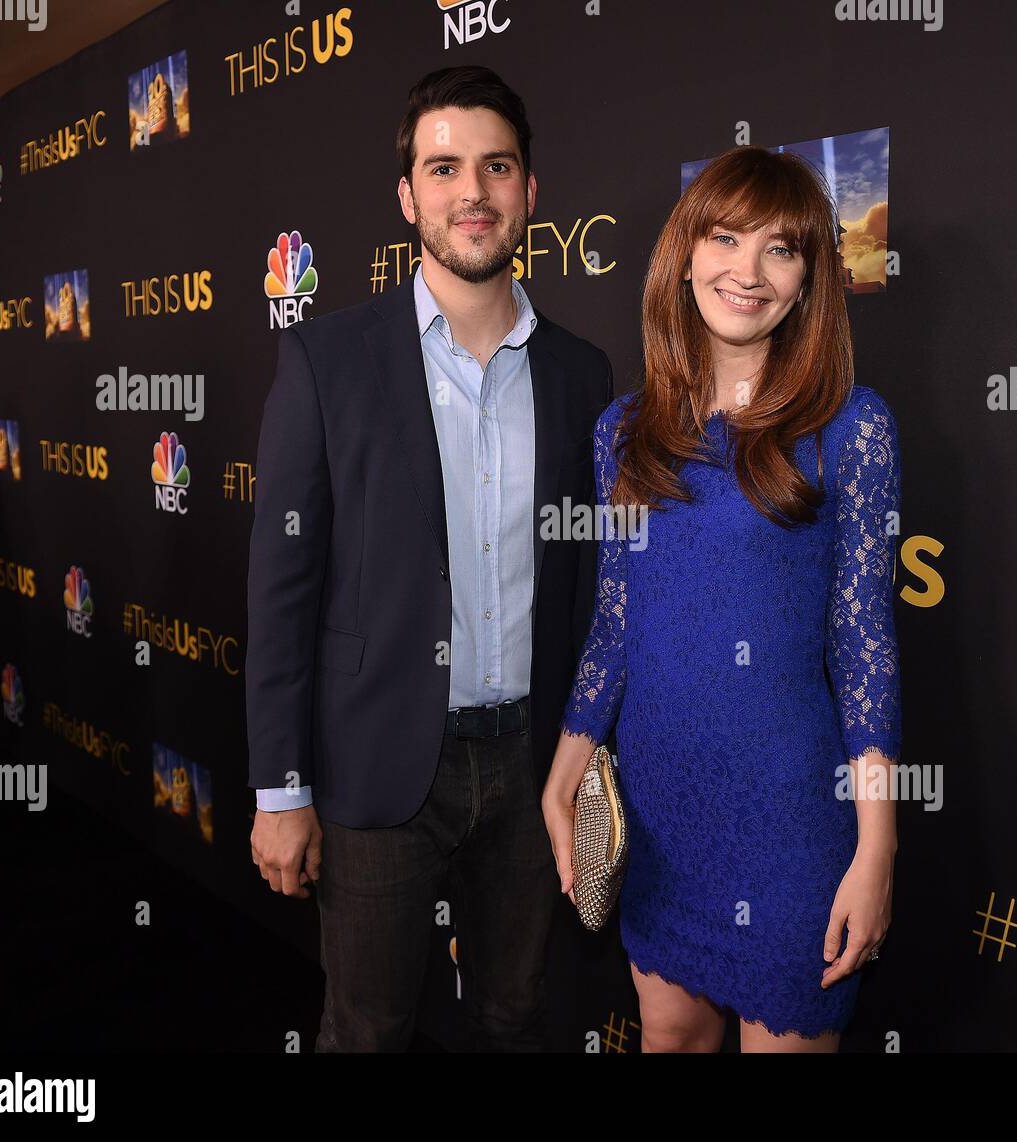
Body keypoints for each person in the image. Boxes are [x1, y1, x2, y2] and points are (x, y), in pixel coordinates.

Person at [245, 65, 612, 1052]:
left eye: (496, 166)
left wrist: (592, 746)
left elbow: (589, 590)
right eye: (442, 166)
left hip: (537, 761)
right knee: (366, 1027)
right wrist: (281, 791)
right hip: (376, 764)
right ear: (408, 196)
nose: (472, 192)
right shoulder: (327, 360)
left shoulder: (583, 373)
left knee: (519, 1018)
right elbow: (282, 589)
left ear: (530, 191)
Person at [542, 145, 902, 1053]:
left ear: (809, 279)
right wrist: (566, 764)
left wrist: (876, 849)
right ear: (684, 252)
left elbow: (864, 649)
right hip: (661, 806)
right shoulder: (622, 432)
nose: (747, 270)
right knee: (665, 1036)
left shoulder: (850, 428)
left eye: (781, 249)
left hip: (788, 819)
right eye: (726, 236)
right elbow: (618, 621)